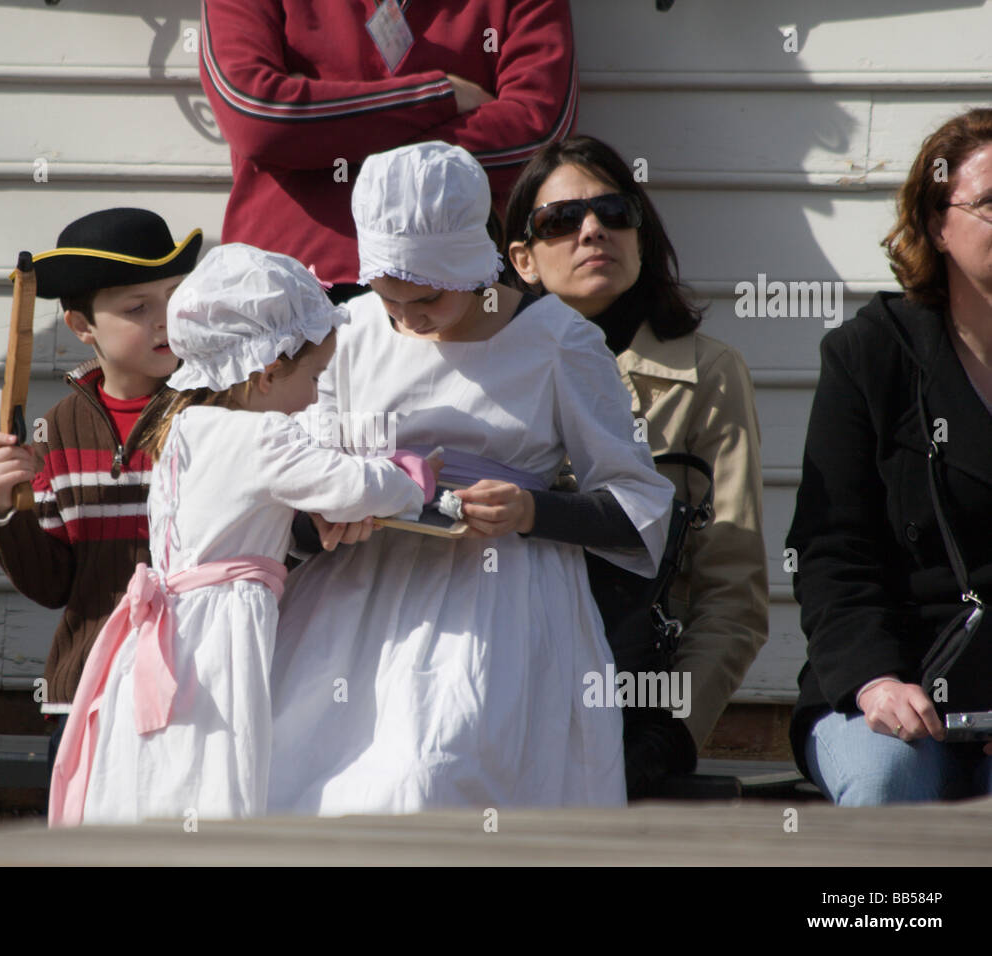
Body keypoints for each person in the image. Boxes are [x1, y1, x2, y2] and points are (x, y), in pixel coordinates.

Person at [268, 142, 675, 814]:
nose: (407, 317)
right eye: (389, 297)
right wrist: (330, 507)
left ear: (472, 262)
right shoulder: (350, 332)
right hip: (358, 598)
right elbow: (307, 467)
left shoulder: (558, 342)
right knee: (310, 779)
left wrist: (532, 510)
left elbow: (638, 501)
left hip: (499, 601)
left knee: (434, 774)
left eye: (426, 297)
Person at [48, 243, 436, 826]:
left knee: (171, 769)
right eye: (314, 375)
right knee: (221, 762)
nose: (314, 394)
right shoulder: (263, 439)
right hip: (219, 633)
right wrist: (409, 479)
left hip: (169, 626)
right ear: (266, 371)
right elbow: (351, 486)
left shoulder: (183, 427)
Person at [503, 135, 768, 797]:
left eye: (615, 212)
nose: (593, 230)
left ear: (641, 236)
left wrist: (671, 729)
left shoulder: (707, 374)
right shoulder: (484, 369)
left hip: (631, 698)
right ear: (523, 259)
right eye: (561, 221)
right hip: (498, 688)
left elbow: (732, 591)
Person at [786, 107, 992, 805]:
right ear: (937, 224)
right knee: (889, 784)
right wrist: (876, 680)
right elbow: (830, 547)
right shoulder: (870, 355)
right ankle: (880, 921)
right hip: (889, 681)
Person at [0, 208, 202, 779]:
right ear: (82, 326)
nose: (165, 321)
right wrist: (8, 507)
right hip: (89, 693)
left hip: (198, 685)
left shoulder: (213, 410)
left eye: (174, 297)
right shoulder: (52, 432)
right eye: (137, 308)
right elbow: (52, 585)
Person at [198, 0, 577, 301]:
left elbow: (536, 139)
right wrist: (441, 95)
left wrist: (316, 129)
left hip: (455, 296)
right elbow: (259, 119)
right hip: (286, 295)